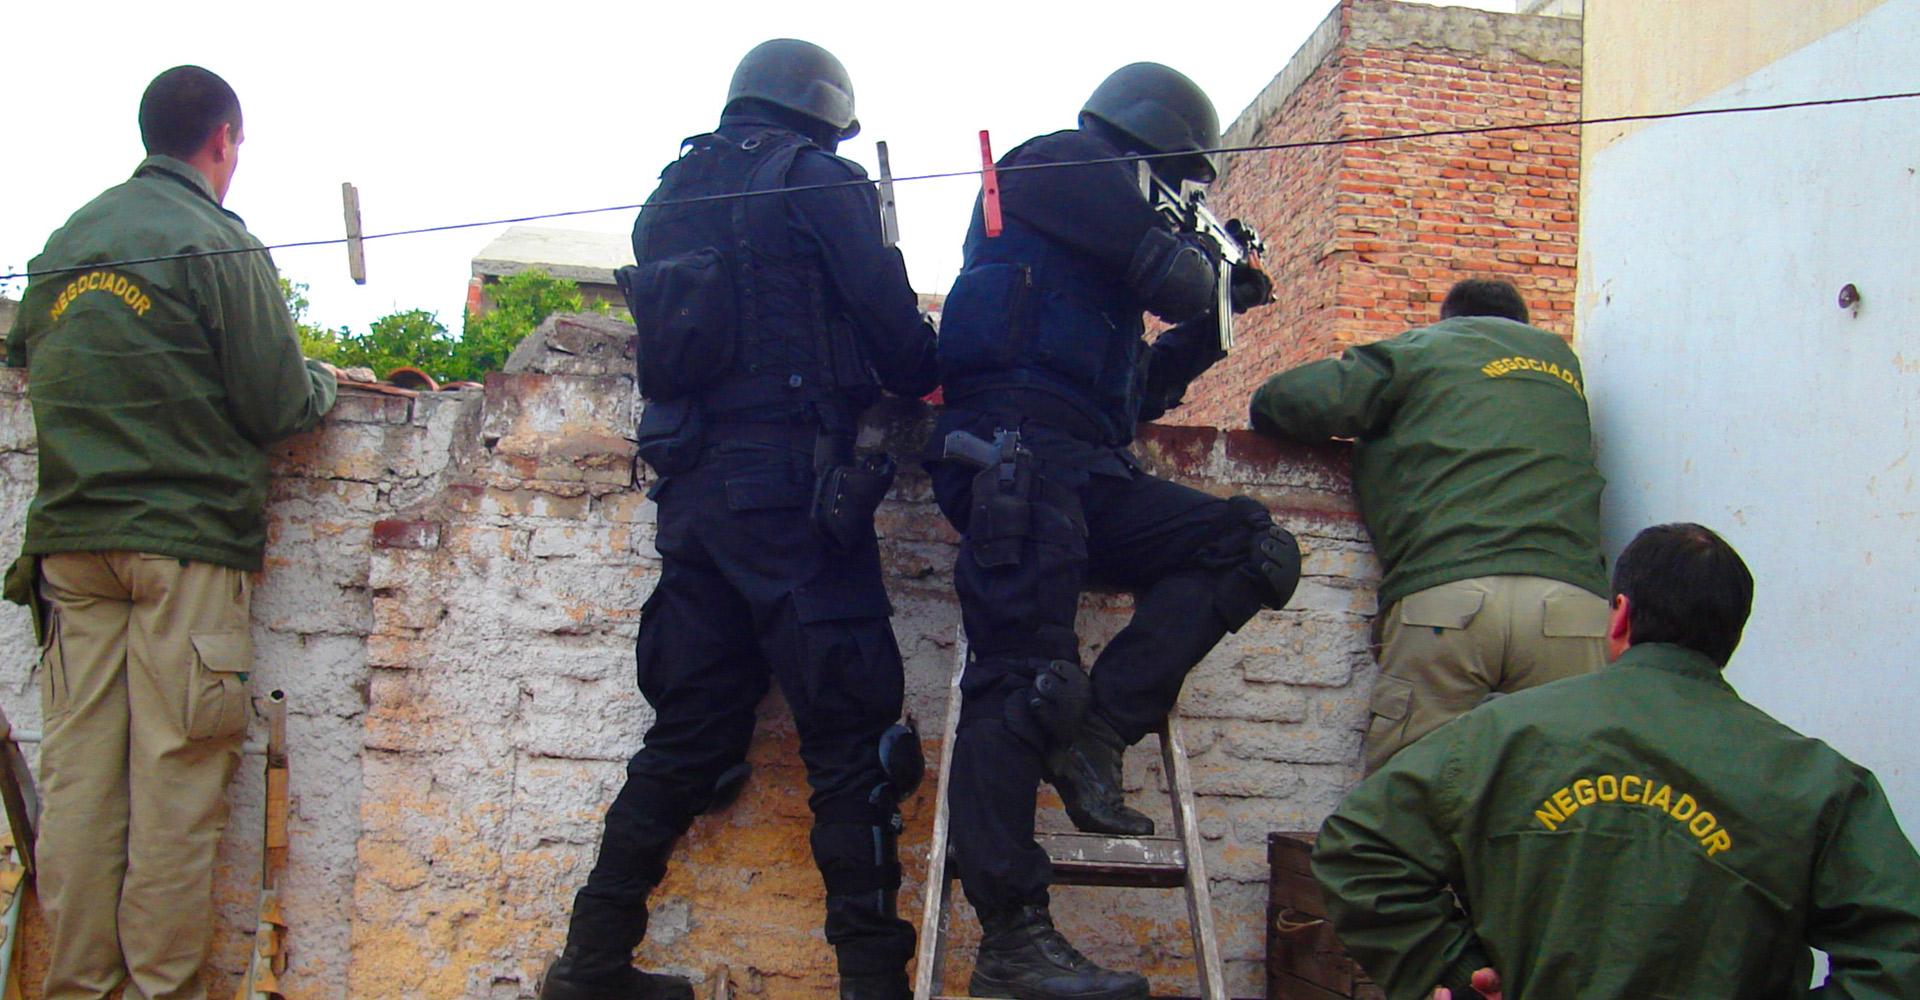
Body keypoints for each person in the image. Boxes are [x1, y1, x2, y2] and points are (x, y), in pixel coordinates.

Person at [538, 40, 939, 1000]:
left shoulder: (671, 192)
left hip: (693, 501)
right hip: (791, 500)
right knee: (854, 742)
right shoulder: (816, 178)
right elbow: (895, 339)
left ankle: (591, 963)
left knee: (687, 736)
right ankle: (871, 984)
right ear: (822, 113)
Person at [927, 63, 1296, 1000]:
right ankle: (1012, 940)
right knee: (1022, 681)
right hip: (1013, 459)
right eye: (1183, 180)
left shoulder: (1090, 277)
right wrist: (1215, 277)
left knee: (1249, 546)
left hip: (1089, 467)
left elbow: (1142, 388)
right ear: (1156, 151)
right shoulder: (1059, 166)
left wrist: (1217, 326)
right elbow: (1172, 274)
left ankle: (1099, 730)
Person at [3, 66, 339, 1000]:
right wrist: (324, 381)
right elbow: (279, 401)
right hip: (183, 550)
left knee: (78, 787)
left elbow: (23, 351)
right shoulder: (216, 241)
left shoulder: (69, 238)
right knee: (174, 793)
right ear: (223, 141)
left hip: (71, 550)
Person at [1312, 523, 1920, 1000]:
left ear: (1620, 615)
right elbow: (1903, 946)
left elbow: (1356, 846)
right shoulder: (1818, 781)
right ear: (1731, 637)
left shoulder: (1497, 735)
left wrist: (1456, 968)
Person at [1248, 279, 1608, 773]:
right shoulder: (1564, 368)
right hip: (1574, 609)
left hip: (1448, 600)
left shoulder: (1427, 348)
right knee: (1562, 801)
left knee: (1408, 799)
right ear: (1521, 323)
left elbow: (1290, 402)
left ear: (1451, 318)